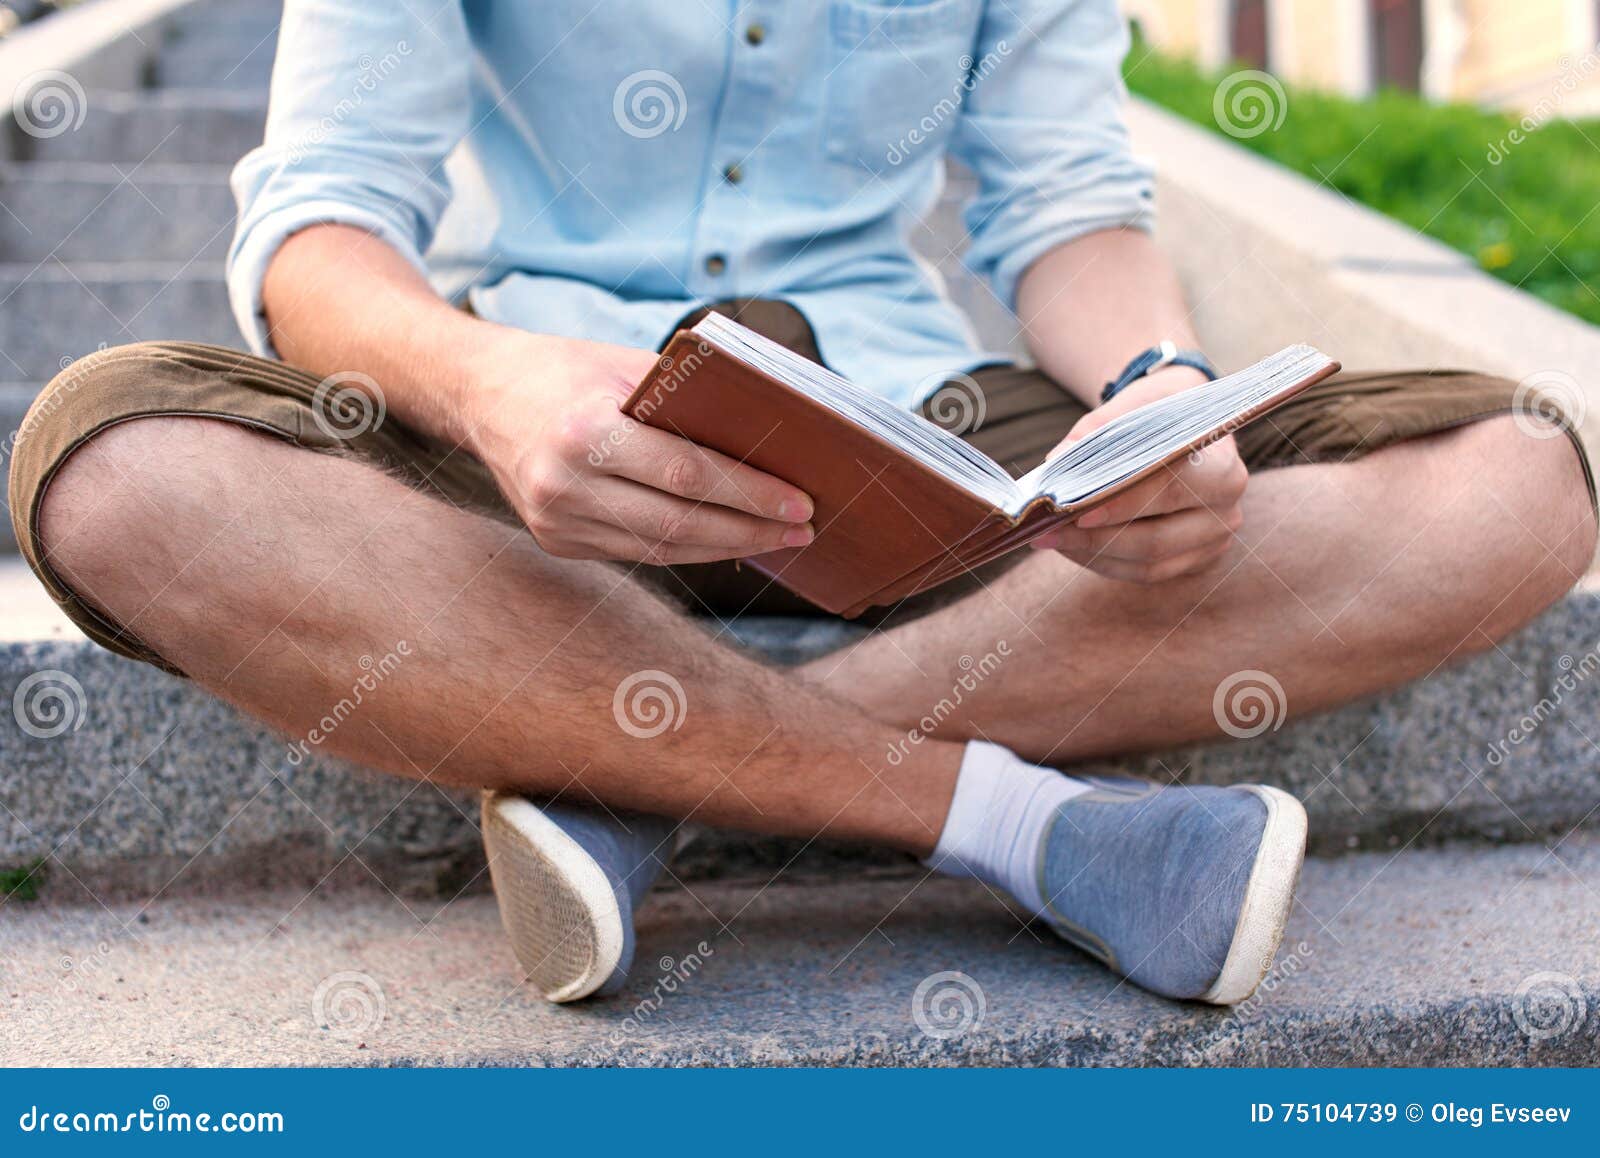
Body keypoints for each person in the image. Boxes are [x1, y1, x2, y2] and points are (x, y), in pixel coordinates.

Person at [10, 0, 1593, 1006]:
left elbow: (1071, 215)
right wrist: (489, 387)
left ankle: (627, 775)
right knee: (108, 461)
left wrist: (1159, 387)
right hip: (557, 457)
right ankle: (1020, 822)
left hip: (926, 428)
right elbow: (322, 227)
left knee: (1520, 473)